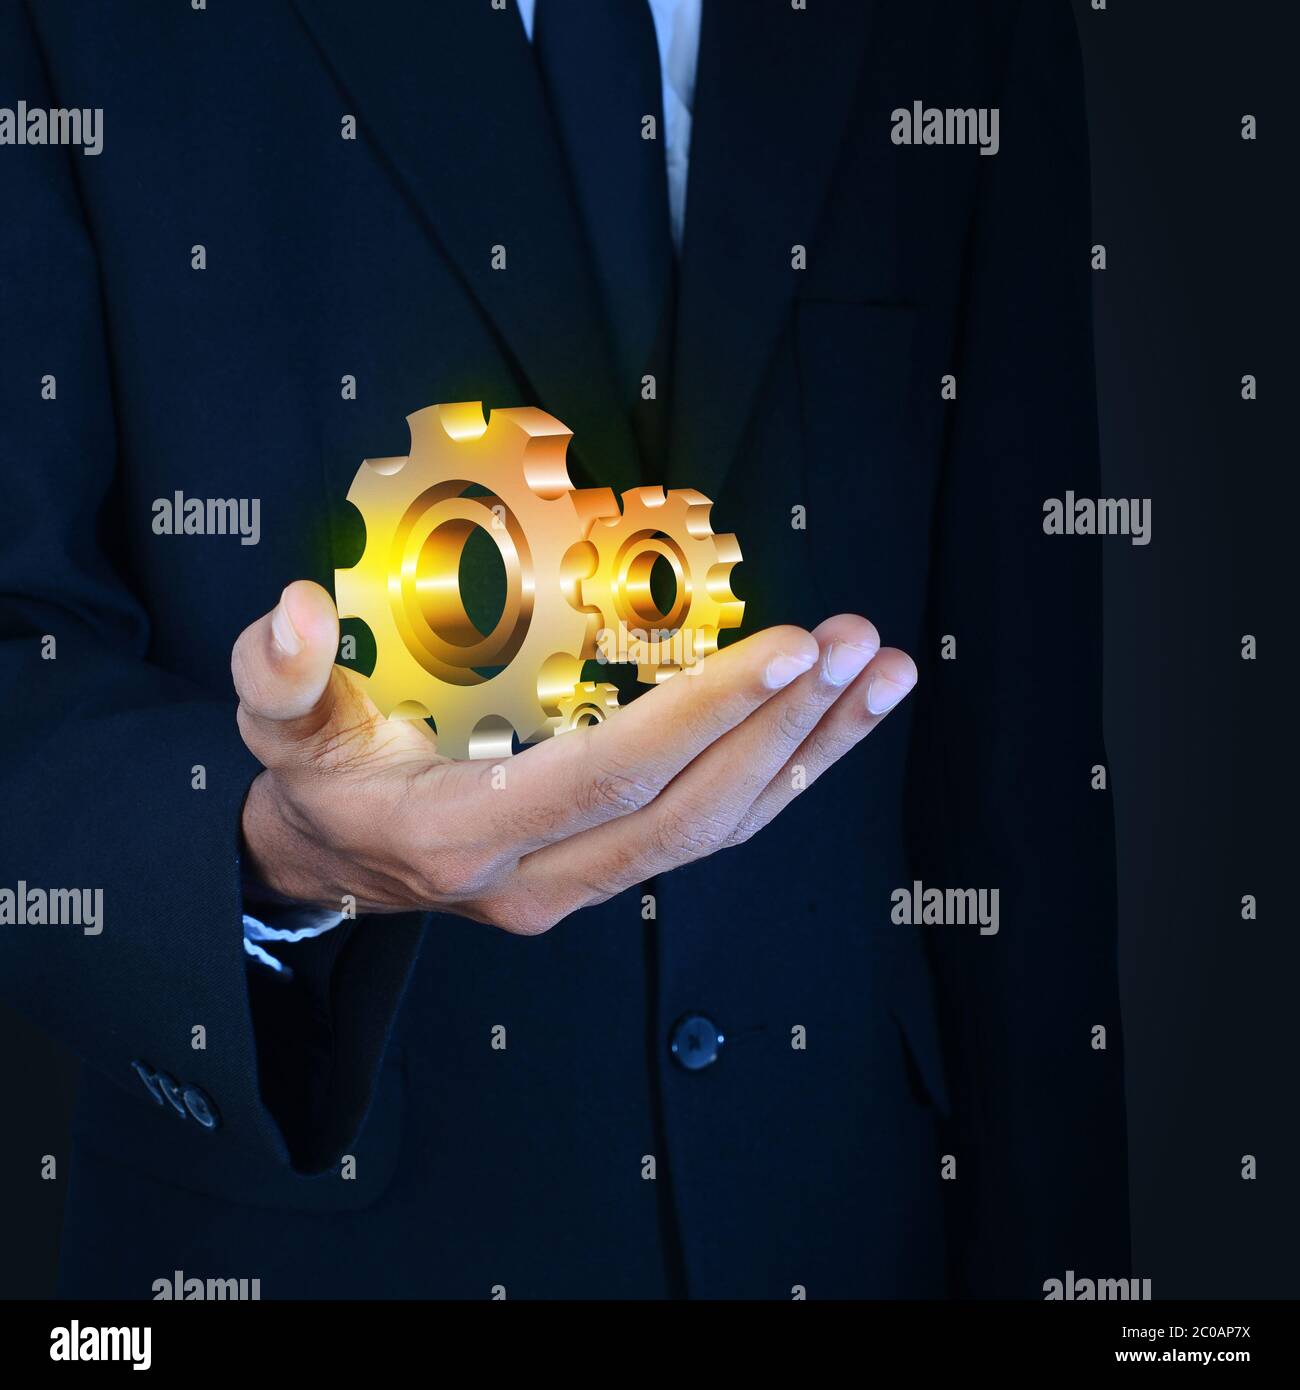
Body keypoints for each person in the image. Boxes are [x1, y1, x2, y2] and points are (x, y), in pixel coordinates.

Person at [0, 0, 1128, 1298]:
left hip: (850, 1225)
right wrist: (268, 851)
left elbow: (1025, 768)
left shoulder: (964, 34)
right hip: (308, 1244)